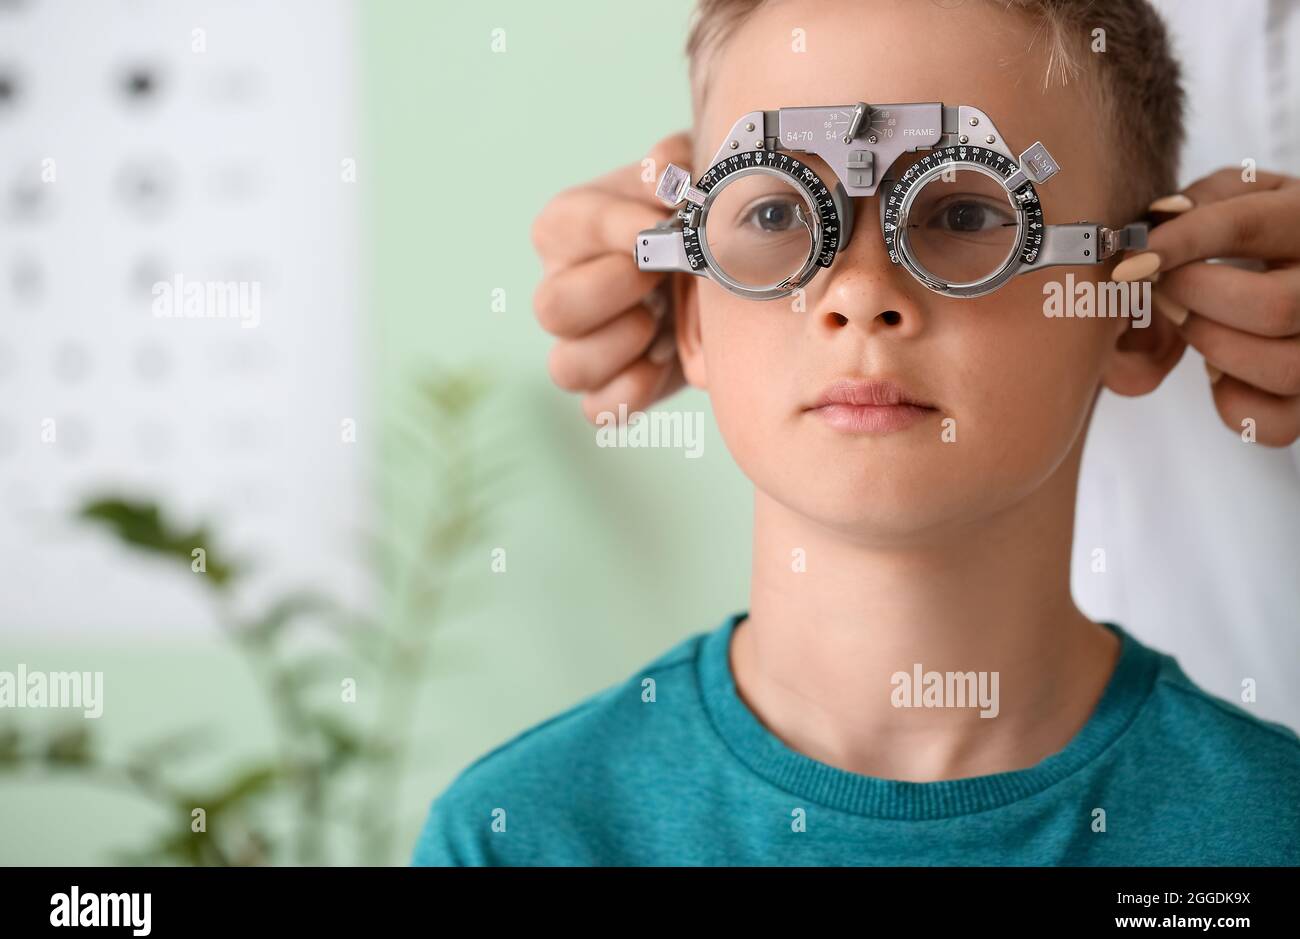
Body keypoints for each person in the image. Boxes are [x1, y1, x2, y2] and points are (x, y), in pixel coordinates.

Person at [413, 0, 1300, 866]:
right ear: (691, 311)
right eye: (777, 215)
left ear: (1136, 311)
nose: (858, 291)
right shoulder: (520, 836)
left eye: (963, 214)